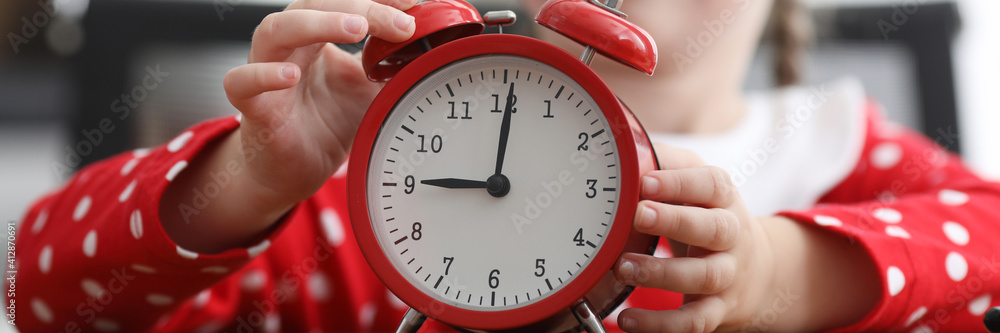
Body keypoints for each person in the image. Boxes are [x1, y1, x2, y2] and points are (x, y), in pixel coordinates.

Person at [14, 0, 1000, 331]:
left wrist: (775, 276)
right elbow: (44, 291)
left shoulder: (832, 151)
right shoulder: (376, 188)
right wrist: (257, 176)